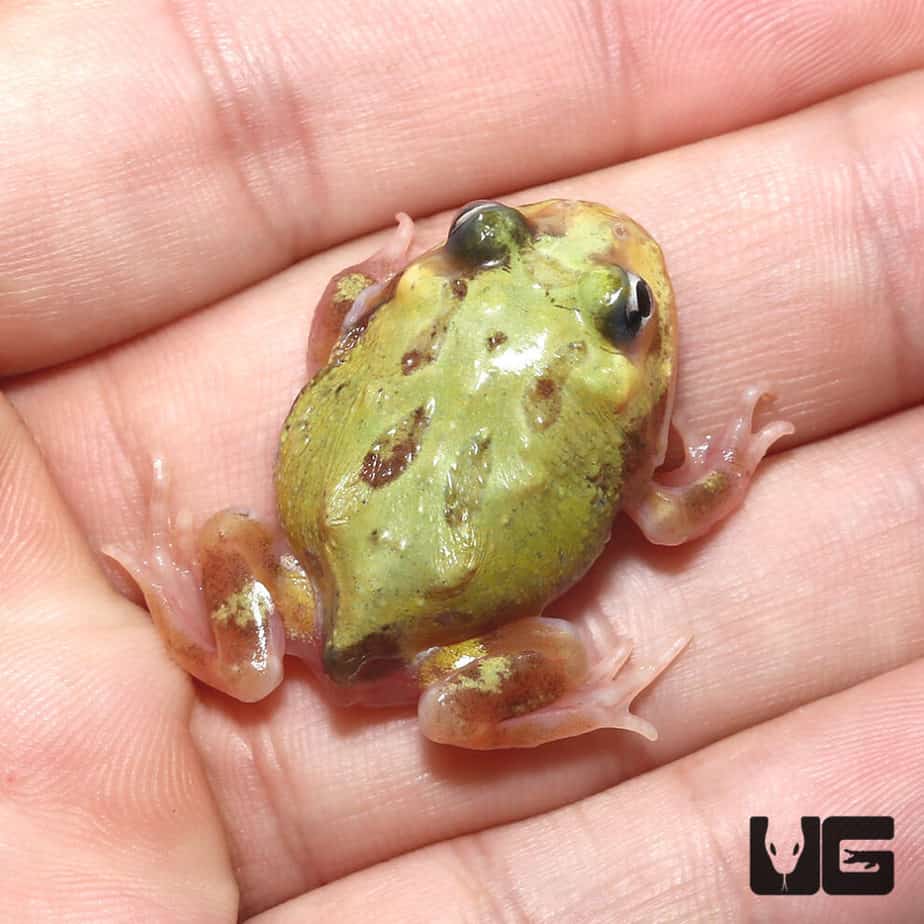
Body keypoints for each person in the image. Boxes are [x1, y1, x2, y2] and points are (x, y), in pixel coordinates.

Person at [1, 1, 921, 919]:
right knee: (550, 655)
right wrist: (733, 461)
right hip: (432, 646)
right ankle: (541, 704)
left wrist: (367, 281)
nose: (567, 231)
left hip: (303, 595)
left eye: (619, 309)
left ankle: (234, 655)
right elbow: (672, 517)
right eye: (491, 234)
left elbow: (338, 317)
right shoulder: (629, 430)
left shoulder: (404, 302)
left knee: (233, 541)